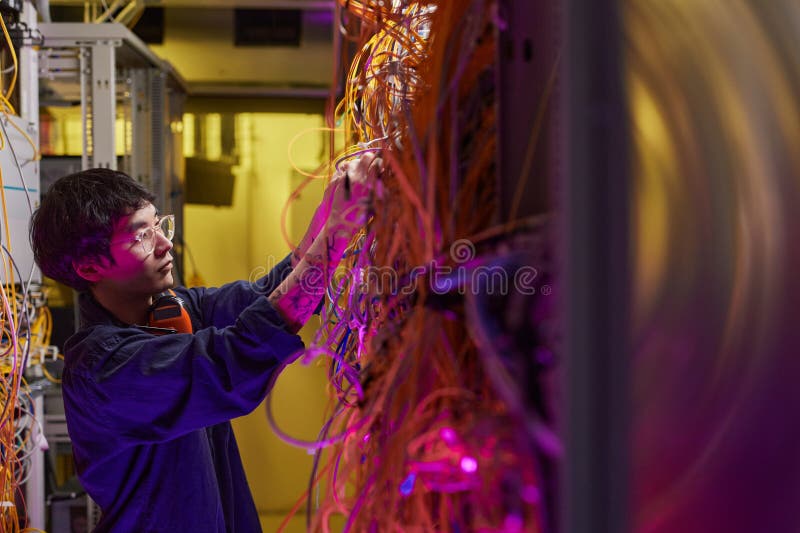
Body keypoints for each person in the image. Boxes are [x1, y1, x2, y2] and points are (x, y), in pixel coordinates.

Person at [29, 155, 376, 532]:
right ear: (89, 268)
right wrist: (340, 228)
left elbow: (266, 297)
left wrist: (329, 210)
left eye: (160, 225)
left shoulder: (171, 311)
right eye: (141, 235)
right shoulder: (104, 368)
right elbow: (236, 357)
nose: (165, 245)